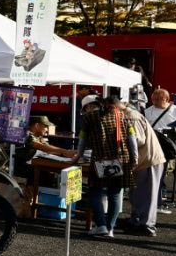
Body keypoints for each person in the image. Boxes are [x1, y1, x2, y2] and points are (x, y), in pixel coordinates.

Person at [76, 94, 137, 238]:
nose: (85, 113)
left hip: (99, 159)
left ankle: (101, 225)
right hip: (121, 159)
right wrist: (135, 158)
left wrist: (78, 155)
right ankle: (110, 229)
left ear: (89, 106)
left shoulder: (90, 118)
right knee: (114, 194)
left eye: (85, 110)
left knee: (95, 191)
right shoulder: (122, 116)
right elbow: (132, 139)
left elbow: (82, 141)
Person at [14, 115, 77, 216]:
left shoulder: (37, 136)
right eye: (45, 126)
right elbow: (41, 147)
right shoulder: (26, 134)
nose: (47, 130)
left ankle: (30, 206)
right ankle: (28, 206)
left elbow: (47, 147)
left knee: (45, 174)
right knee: (41, 174)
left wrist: (64, 153)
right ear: (36, 125)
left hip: (26, 165)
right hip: (16, 166)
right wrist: (65, 151)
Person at [120, 101, 166, 237]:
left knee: (147, 195)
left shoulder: (132, 117)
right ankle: (137, 220)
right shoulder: (129, 115)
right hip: (143, 160)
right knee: (137, 193)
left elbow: (138, 140)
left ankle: (147, 225)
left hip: (148, 160)